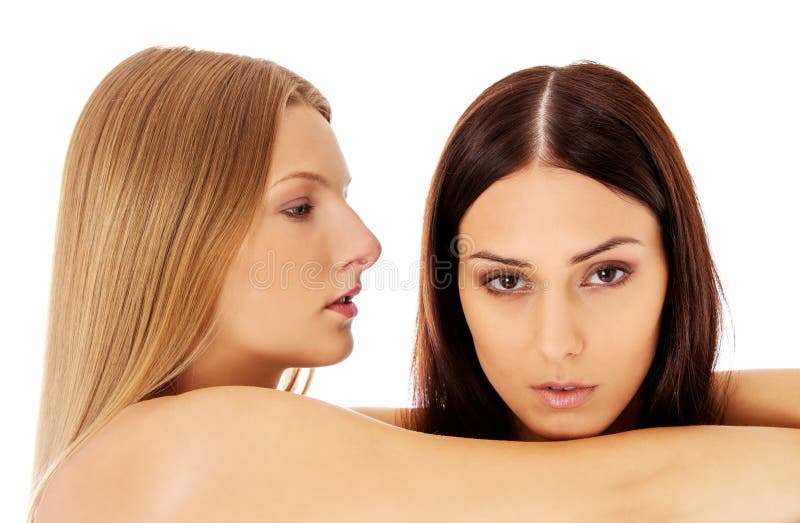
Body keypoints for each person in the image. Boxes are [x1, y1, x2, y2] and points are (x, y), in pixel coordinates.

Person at [31, 48, 800, 522]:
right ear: (175, 231)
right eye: (301, 206)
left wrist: (673, 383)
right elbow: (631, 493)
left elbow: (472, 434)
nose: (365, 244)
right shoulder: (184, 448)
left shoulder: (209, 446)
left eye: (607, 272)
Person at [355, 63, 800, 442]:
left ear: (676, 270)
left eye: (606, 274)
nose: (557, 345)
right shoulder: (343, 456)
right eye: (506, 281)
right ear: (453, 294)